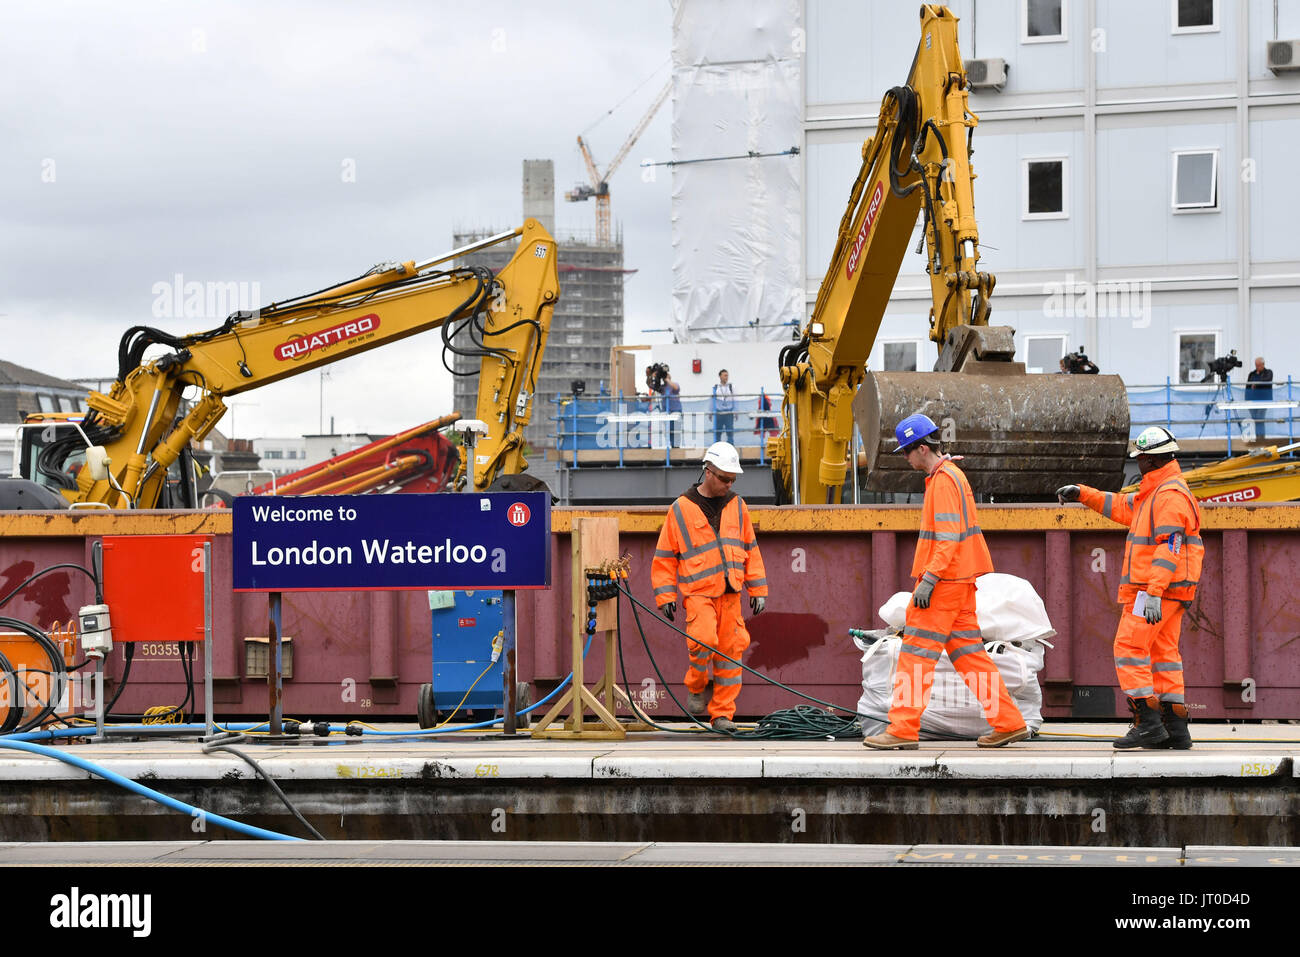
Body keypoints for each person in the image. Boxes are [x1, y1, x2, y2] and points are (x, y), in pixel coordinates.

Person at [862, 413, 1030, 750]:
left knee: (914, 655)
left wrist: (930, 580)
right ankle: (1009, 722)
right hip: (961, 583)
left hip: (944, 583)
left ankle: (903, 729)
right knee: (971, 657)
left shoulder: (942, 480)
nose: (906, 458)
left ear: (922, 448)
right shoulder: (953, 475)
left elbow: (948, 536)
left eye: (907, 452)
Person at [1056, 426, 1203, 749]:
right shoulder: (1158, 492)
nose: (1138, 464)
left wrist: (1152, 592)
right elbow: (1123, 507)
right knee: (1164, 656)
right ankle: (1175, 728)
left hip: (1155, 592)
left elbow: (1170, 547)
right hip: (1167, 592)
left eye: (1141, 459)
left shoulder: (1167, 496)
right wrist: (1082, 493)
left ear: (1152, 459)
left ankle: (1148, 724)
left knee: (1128, 648)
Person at [651, 441, 767, 733]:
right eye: (725, 478)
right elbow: (665, 557)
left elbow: (751, 549)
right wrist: (665, 595)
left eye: (733, 479)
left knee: (730, 655)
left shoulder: (738, 507)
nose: (729, 484)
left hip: (731, 596)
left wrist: (758, 590)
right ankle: (697, 684)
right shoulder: (681, 509)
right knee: (703, 641)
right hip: (699, 593)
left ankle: (723, 716)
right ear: (709, 472)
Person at [1246, 356, 1273, 441]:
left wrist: (1256, 384)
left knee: (1260, 418)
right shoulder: (1252, 374)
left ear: (1263, 364)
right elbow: (1247, 386)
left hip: (1263, 400)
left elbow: (1267, 380)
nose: (1257, 367)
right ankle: (1258, 437)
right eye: (1256, 365)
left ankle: (1261, 438)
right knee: (1255, 419)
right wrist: (1246, 399)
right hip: (1252, 401)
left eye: (1258, 365)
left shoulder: (1268, 372)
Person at [712, 369, 736, 445]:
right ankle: (717, 448)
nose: (726, 377)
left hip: (729, 412)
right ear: (720, 376)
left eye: (727, 375)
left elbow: (734, 399)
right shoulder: (716, 388)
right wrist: (710, 412)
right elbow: (713, 400)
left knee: (730, 432)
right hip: (719, 413)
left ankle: (731, 447)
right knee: (718, 432)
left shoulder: (731, 387)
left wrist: (736, 411)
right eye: (725, 375)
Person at [662, 368, 682, 447]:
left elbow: (676, 388)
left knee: (676, 430)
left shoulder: (675, 384)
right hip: (666, 411)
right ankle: (670, 445)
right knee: (668, 430)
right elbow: (652, 386)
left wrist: (667, 379)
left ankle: (676, 446)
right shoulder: (662, 387)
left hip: (676, 410)